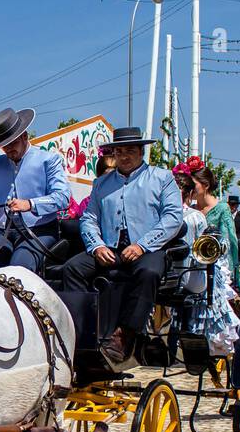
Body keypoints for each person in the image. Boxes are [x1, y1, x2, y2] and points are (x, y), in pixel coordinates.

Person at [62, 126, 182, 368]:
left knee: (148, 272)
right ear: (113, 154)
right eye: (119, 151)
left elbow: (173, 217)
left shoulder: (161, 178)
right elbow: (88, 218)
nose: (124, 156)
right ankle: (79, 329)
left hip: (149, 248)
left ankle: (125, 334)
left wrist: (142, 245)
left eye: (130, 150)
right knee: (72, 268)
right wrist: (96, 246)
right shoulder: (102, 183)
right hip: (110, 247)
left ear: (141, 152)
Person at [0, 106, 70, 271]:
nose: (8, 149)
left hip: (39, 231)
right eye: (4, 146)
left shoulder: (48, 160)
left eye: (12, 143)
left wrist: (30, 204)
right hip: (3, 231)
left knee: (19, 268)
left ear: (25, 136)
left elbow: (63, 197)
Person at [178, 156, 240, 292]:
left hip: (215, 267)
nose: (189, 188)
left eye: (193, 184)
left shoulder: (222, 208)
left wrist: (230, 274)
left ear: (205, 185)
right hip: (188, 268)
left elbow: (229, 243)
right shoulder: (190, 210)